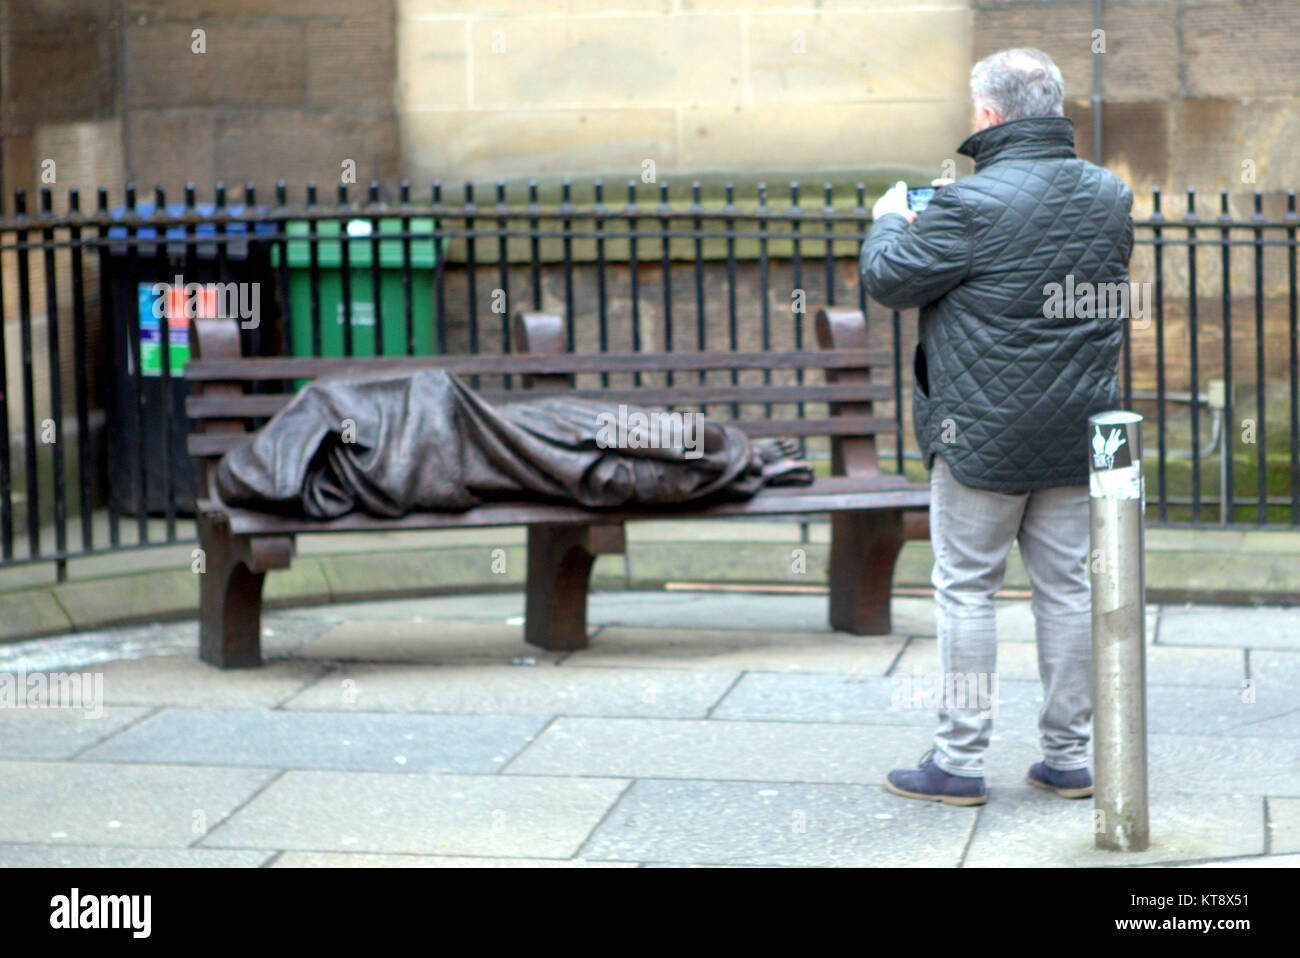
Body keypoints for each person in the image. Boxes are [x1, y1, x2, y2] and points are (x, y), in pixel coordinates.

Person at [860, 48, 1135, 806]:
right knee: (1068, 590)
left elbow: (889, 279)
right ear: (1053, 106)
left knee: (967, 590)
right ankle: (1070, 758)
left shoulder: (965, 206)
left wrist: (891, 221)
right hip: (1077, 427)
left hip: (981, 431)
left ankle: (958, 760)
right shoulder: (1110, 194)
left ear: (987, 115)